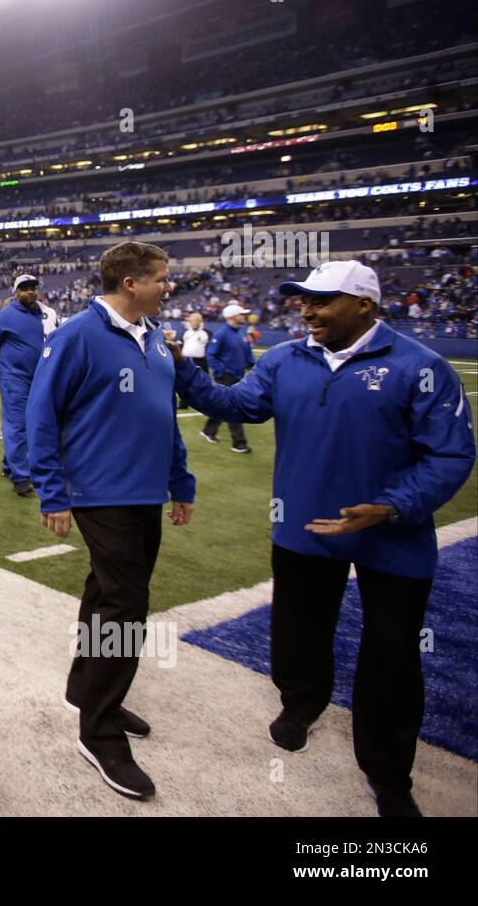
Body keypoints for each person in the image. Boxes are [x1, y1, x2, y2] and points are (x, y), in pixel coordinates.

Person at [167, 260, 474, 817]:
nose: (305, 310)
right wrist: (183, 370)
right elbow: (239, 406)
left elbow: (451, 455)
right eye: (302, 300)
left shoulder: (420, 366)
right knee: (300, 629)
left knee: (392, 654)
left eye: (321, 300)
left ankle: (387, 771)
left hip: (393, 535)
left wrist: (389, 507)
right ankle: (300, 703)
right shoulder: (286, 358)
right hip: (303, 523)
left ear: (365, 305)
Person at [26, 242, 196, 801]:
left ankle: (85, 689)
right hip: (98, 492)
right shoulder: (77, 334)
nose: (167, 287)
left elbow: (164, 418)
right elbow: (41, 414)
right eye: (160, 279)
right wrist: (52, 492)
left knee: (106, 594)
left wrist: (181, 480)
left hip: (143, 491)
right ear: (130, 282)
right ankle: (98, 733)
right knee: (127, 604)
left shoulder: (157, 342)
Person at [0, 274, 52, 496]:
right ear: (16, 292)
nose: (30, 292)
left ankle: (10, 465)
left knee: (30, 424)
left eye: (33, 288)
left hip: (38, 379)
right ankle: (21, 477)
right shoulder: (3, 318)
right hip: (13, 379)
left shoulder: (45, 315)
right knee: (18, 425)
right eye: (25, 288)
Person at [201, 304, 254, 452]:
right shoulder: (221, 334)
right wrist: (220, 372)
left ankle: (208, 430)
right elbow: (211, 355)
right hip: (226, 377)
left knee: (222, 407)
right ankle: (239, 443)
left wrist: (253, 366)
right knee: (235, 409)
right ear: (232, 317)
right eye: (241, 314)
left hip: (239, 375)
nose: (244, 316)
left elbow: (248, 354)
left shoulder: (241, 333)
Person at [177, 312, 209, 409]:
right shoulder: (186, 333)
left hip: (200, 360)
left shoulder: (205, 333)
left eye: (196, 321)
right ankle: (184, 403)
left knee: (201, 383)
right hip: (186, 359)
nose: (194, 323)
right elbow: (181, 343)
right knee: (184, 382)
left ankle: (203, 402)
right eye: (192, 321)